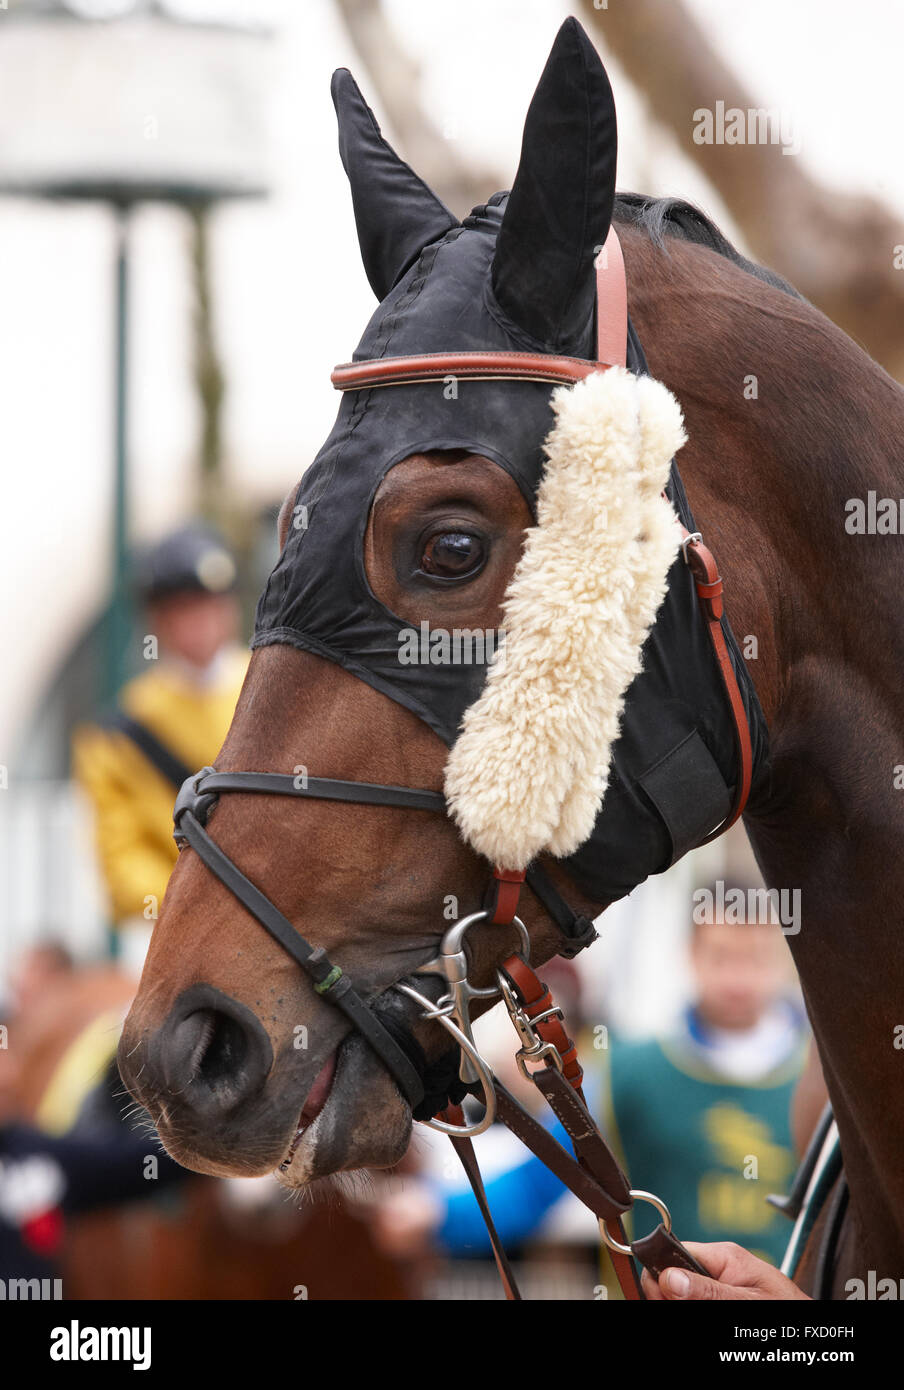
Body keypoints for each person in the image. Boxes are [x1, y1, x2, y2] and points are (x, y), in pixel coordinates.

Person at [72, 524, 248, 974]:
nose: (200, 622)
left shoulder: (276, 691)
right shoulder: (115, 735)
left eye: (209, 605)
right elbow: (121, 869)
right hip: (177, 933)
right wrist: (208, 896)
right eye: (183, 610)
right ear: (157, 622)